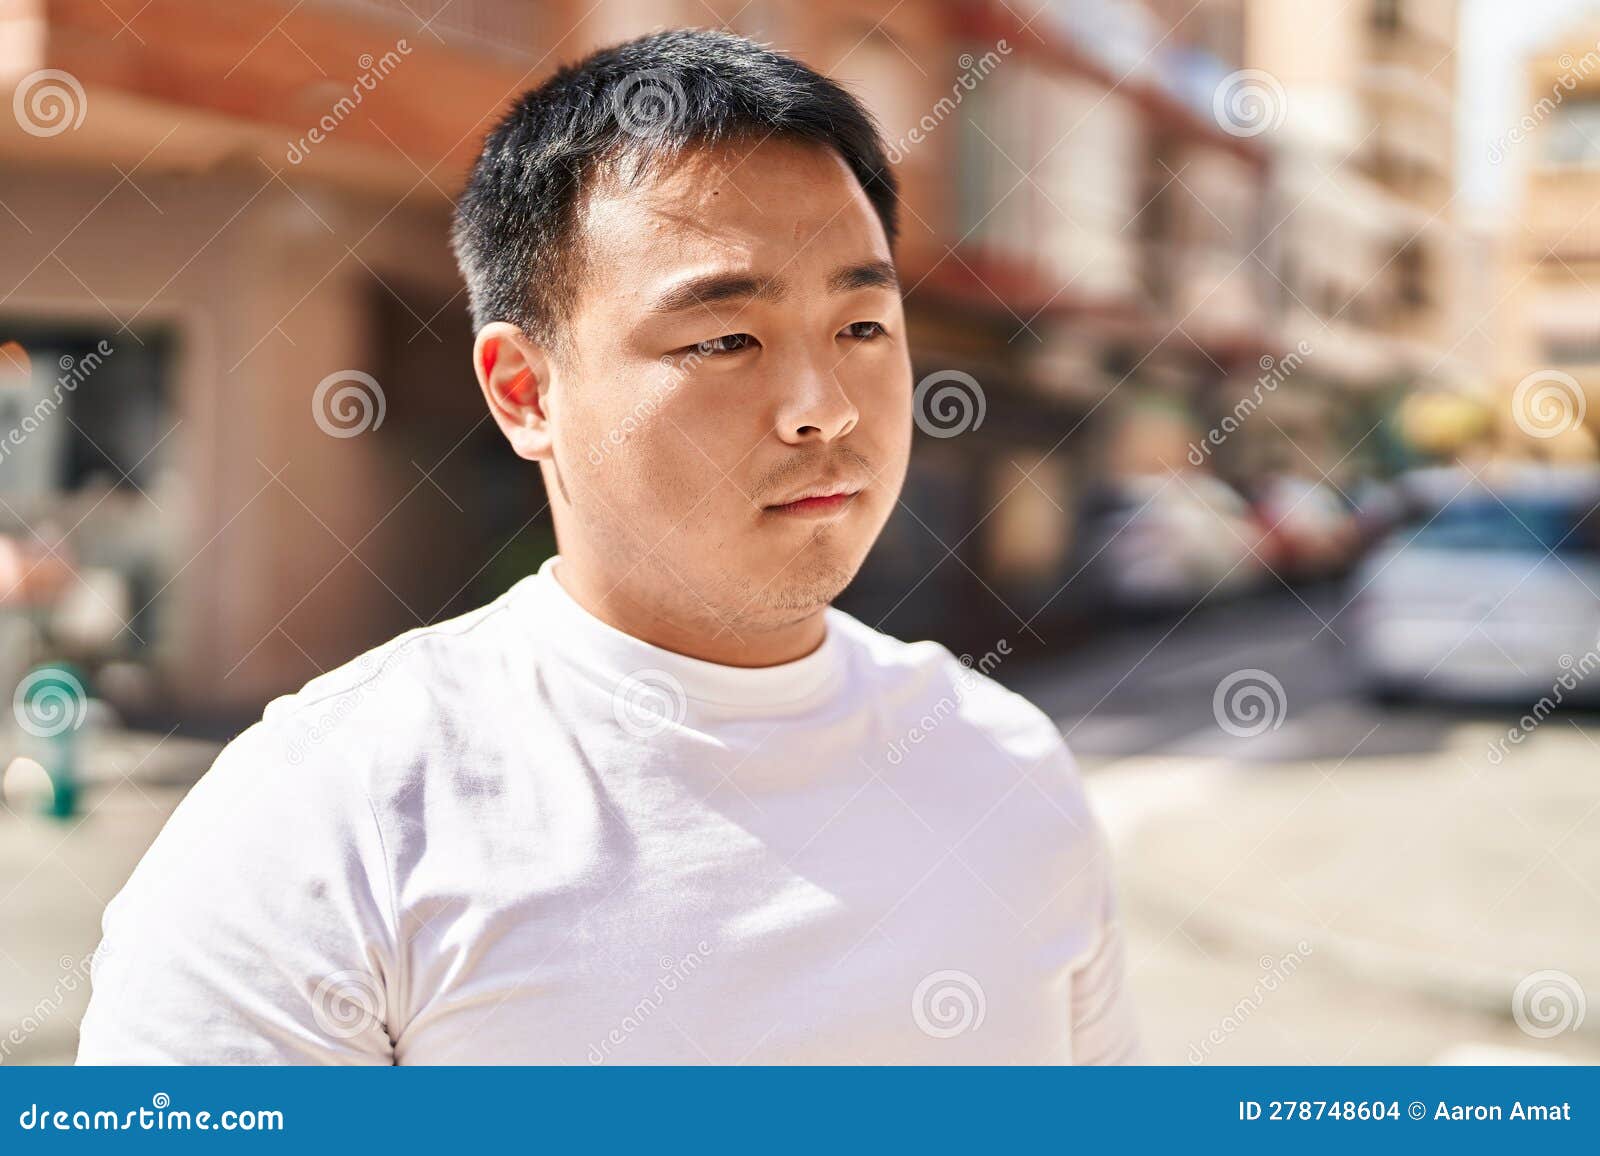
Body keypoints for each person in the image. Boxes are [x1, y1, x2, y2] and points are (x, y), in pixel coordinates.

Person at [77, 28, 1141, 1065]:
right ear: (524, 390)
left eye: (862, 328)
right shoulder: (328, 816)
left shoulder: (1007, 766)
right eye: (724, 339)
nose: (823, 409)